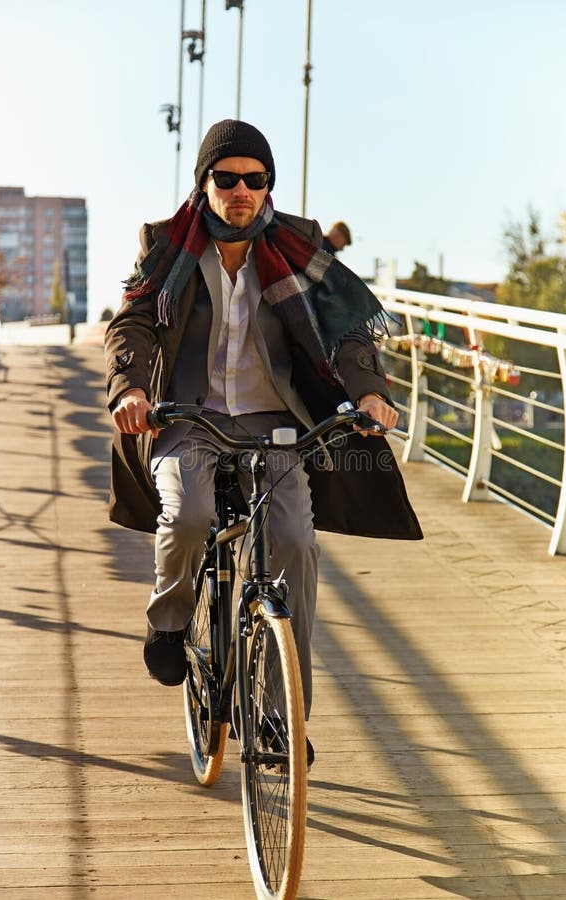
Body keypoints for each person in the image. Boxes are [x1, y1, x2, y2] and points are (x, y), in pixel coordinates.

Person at [105, 119, 422, 763]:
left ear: (268, 186)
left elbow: (348, 332)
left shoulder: (298, 246)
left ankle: (280, 715)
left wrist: (370, 392)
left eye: (256, 179)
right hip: (187, 418)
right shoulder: (167, 245)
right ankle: (169, 622)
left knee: (295, 545)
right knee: (190, 515)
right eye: (227, 178)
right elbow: (134, 323)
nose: (242, 190)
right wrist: (130, 390)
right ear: (205, 184)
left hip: (277, 426)